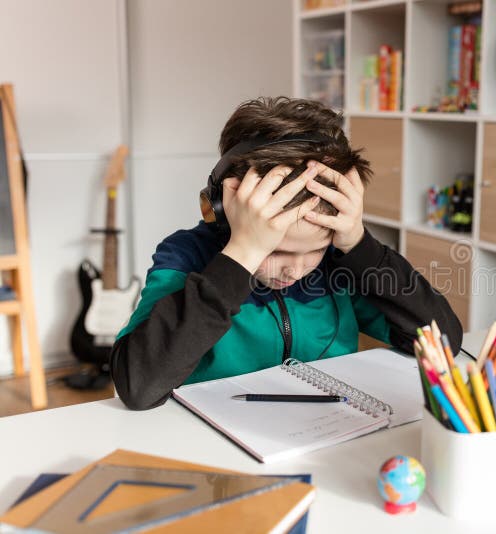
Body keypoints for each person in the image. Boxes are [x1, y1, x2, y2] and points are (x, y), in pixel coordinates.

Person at [111, 97, 463, 410]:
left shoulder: (339, 264)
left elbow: (442, 341)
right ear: (225, 209)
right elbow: (138, 386)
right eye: (275, 250)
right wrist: (241, 256)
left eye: (315, 249)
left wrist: (359, 246)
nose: (294, 271)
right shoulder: (186, 256)